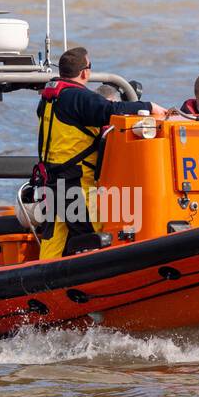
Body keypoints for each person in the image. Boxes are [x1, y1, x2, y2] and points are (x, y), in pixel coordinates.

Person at [35, 47, 167, 259]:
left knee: (55, 237)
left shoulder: (50, 99)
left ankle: (41, 281)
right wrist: (149, 106)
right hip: (76, 184)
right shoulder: (78, 97)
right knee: (93, 234)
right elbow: (110, 111)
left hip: (52, 182)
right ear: (85, 72)